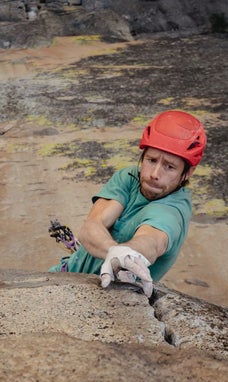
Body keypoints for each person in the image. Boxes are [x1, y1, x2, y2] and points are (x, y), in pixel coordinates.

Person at [49, 110, 207, 297]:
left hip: (103, 300)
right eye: (151, 160)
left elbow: (152, 241)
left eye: (170, 167)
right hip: (65, 274)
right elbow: (91, 226)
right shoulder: (129, 178)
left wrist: (130, 255)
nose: (155, 174)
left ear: (187, 173)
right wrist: (116, 252)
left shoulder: (172, 211)